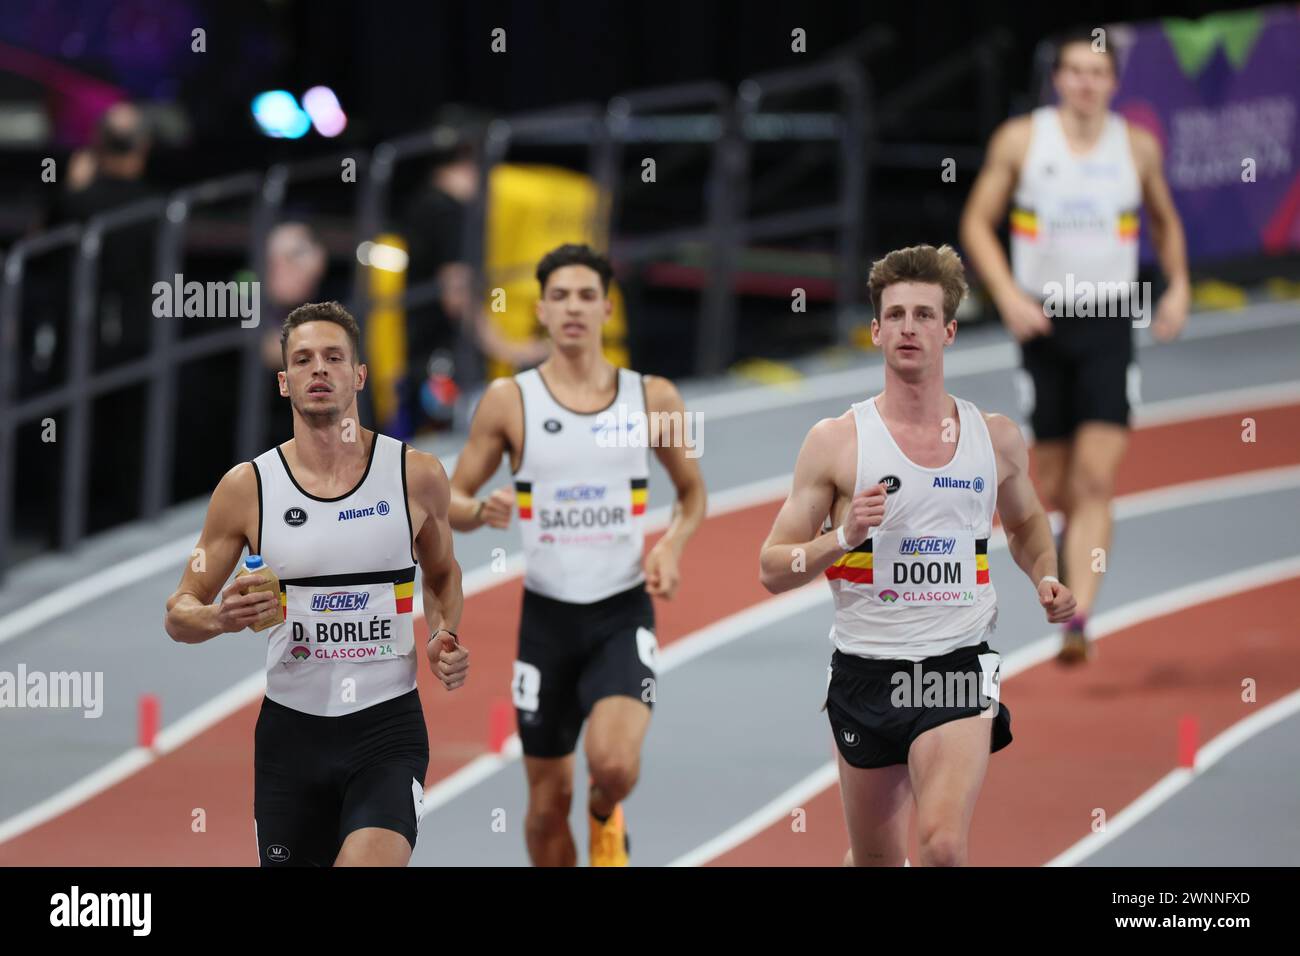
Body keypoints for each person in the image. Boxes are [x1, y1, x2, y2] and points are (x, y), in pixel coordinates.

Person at [759, 244, 1076, 866]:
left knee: (941, 846)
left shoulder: (996, 439)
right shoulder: (836, 444)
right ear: (876, 330)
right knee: (876, 861)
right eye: (896, 315)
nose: (909, 327)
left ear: (949, 331)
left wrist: (1046, 575)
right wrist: (842, 537)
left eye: (925, 316)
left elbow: (1027, 521)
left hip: (956, 663)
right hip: (865, 672)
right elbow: (772, 568)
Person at [163, 300, 469, 866]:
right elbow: (179, 611)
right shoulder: (247, 489)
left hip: (387, 730)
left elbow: (443, 573)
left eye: (333, 357)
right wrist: (218, 618)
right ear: (284, 382)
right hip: (290, 737)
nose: (318, 370)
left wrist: (442, 633)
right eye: (303, 360)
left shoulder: (415, 476)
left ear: (359, 375)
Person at [448, 244, 706, 866]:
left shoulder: (653, 398)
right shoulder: (510, 401)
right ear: (540, 309)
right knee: (543, 806)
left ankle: (604, 813)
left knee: (613, 767)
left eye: (586, 296)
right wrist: (482, 512)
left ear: (607, 309)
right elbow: (451, 498)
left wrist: (671, 545)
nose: (572, 308)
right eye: (560, 296)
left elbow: (693, 494)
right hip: (546, 624)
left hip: (621, 613)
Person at [959, 27, 1189, 663]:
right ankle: (1071, 537)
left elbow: (1166, 222)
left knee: (1094, 478)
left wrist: (1177, 288)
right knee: (1055, 481)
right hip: (1043, 323)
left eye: (1098, 73)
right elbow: (977, 221)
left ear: (1114, 83)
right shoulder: (1022, 140)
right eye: (1074, 72)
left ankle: (1079, 618)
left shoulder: (1136, 147)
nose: (1086, 83)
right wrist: (1006, 294)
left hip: (1109, 322)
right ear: (1056, 79)